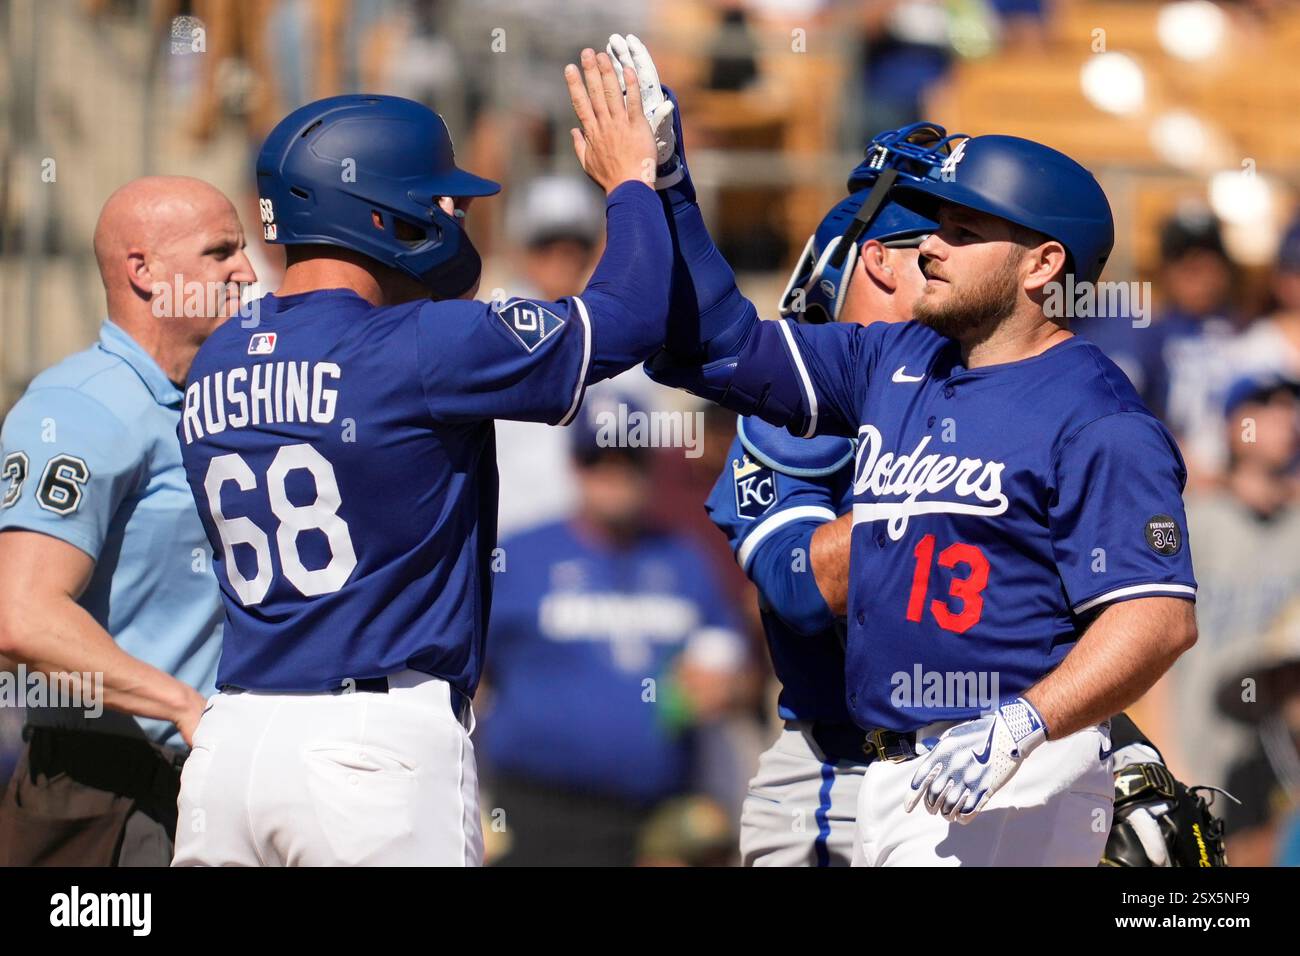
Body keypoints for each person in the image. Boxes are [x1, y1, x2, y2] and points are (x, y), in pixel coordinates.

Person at [608, 34, 1198, 866]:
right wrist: (666, 186)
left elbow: (1158, 617)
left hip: (1012, 770)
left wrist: (1033, 722)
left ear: (1044, 264)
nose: (931, 246)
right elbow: (722, 343)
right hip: (896, 774)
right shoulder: (895, 361)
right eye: (933, 227)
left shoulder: (1099, 417)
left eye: (962, 230)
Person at [171, 52, 672, 866]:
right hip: (369, 746)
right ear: (376, 213)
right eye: (436, 200)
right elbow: (632, 315)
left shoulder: (221, 352)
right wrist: (632, 183)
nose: (450, 216)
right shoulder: (420, 344)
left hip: (231, 745)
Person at [0, 176, 255, 865]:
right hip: (101, 792)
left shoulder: (211, 400)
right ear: (144, 273)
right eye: (221, 252)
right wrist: (181, 706)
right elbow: (20, 618)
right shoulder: (81, 407)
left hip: (200, 783)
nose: (247, 270)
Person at [703, 138, 937, 865]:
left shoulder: (1028, 394)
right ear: (880, 261)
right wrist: (968, 487)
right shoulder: (797, 409)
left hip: (1008, 749)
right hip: (843, 765)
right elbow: (801, 588)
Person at [479, 394, 749, 866]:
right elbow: (468, 683)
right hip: (532, 812)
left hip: (654, 825)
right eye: (596, 458)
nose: (613, 474)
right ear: (574, 464)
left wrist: (725, 687)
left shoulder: (685, 561)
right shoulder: (518, 557)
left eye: (628, 458)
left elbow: (740, 672)